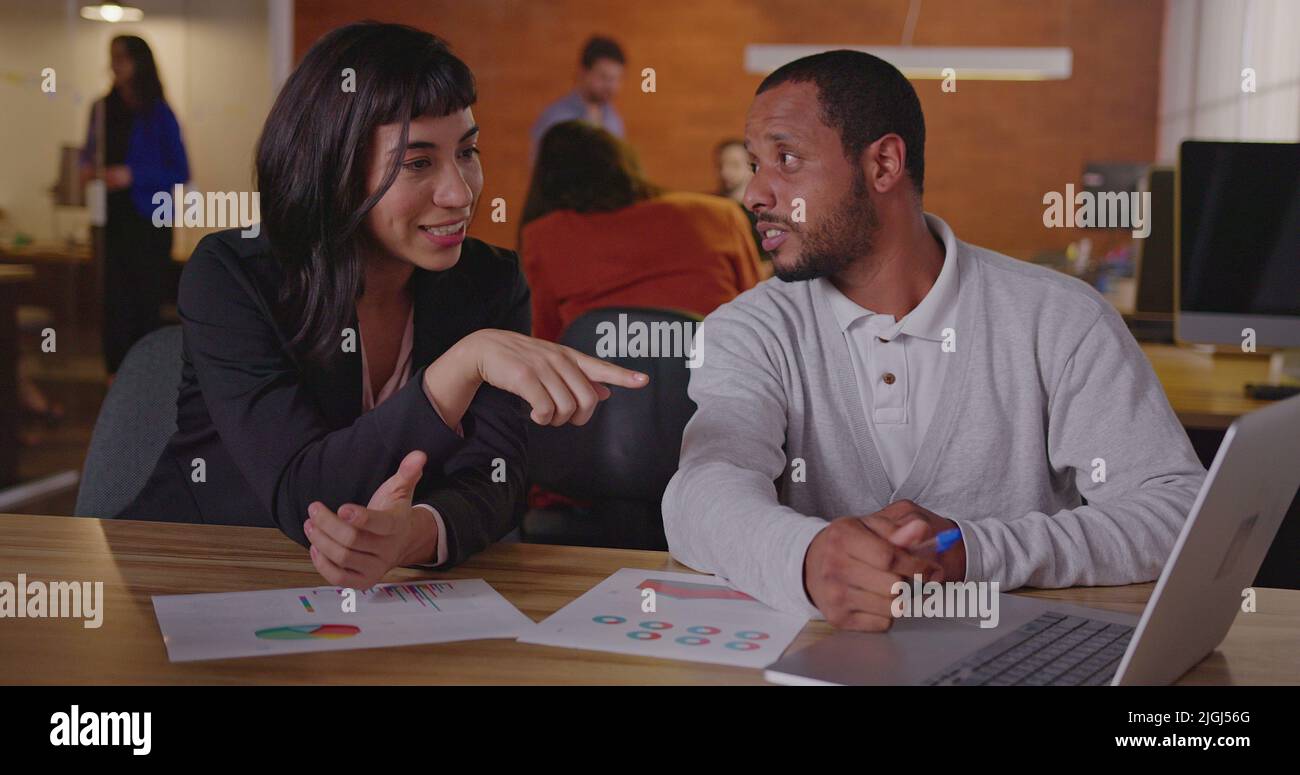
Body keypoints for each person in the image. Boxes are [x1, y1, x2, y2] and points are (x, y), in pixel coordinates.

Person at [661, 51, 1206, 628]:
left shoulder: (1061, 318)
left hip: (1020, 659)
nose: (754, 194)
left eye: (786, 159)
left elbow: (1179, 511)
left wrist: (972, 552)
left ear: (884, 164)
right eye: (754, 164)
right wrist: (807, 558)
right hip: (815, 656)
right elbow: (700, 498)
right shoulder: (748, 329)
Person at [120, 23, 646, 588]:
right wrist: (459, 368)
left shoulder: (490, 281)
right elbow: (304, 493)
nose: (460, 192)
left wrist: (412, 534)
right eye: (418, 163)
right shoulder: (233, 275)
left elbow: (499, 478)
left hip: (383, 598)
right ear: (335, 168)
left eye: (467, 151)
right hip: (197, 574)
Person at [520, 121, 762, 342]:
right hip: (720, 370)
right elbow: (757, 313)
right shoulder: (720, 215)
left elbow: (545, 340)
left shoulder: (543, 238)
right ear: (626, 165)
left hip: (601, 373)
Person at [80, 35, 189, 375]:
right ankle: (114, 374)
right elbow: (88, 154)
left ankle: (146, 375)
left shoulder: (158, 112)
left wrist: (133, 175)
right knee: (113, 300)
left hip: (147, 221)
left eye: (122, 58)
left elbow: (180, 170)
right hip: (112, 219)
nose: (115, 66)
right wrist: (88, 171)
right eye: (113, 58)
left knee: (144, 299)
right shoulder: (102, 108)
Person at [529, 36, 626, 156]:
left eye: (616, 79)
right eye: (604, 77)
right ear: (583, 73)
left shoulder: (613, 120)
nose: (611, 87)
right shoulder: (557, 119)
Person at [714, 137, 767, 265]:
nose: (725, 172)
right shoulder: (710, 209)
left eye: (734, 165)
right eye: (720, 165)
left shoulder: (766, 214)